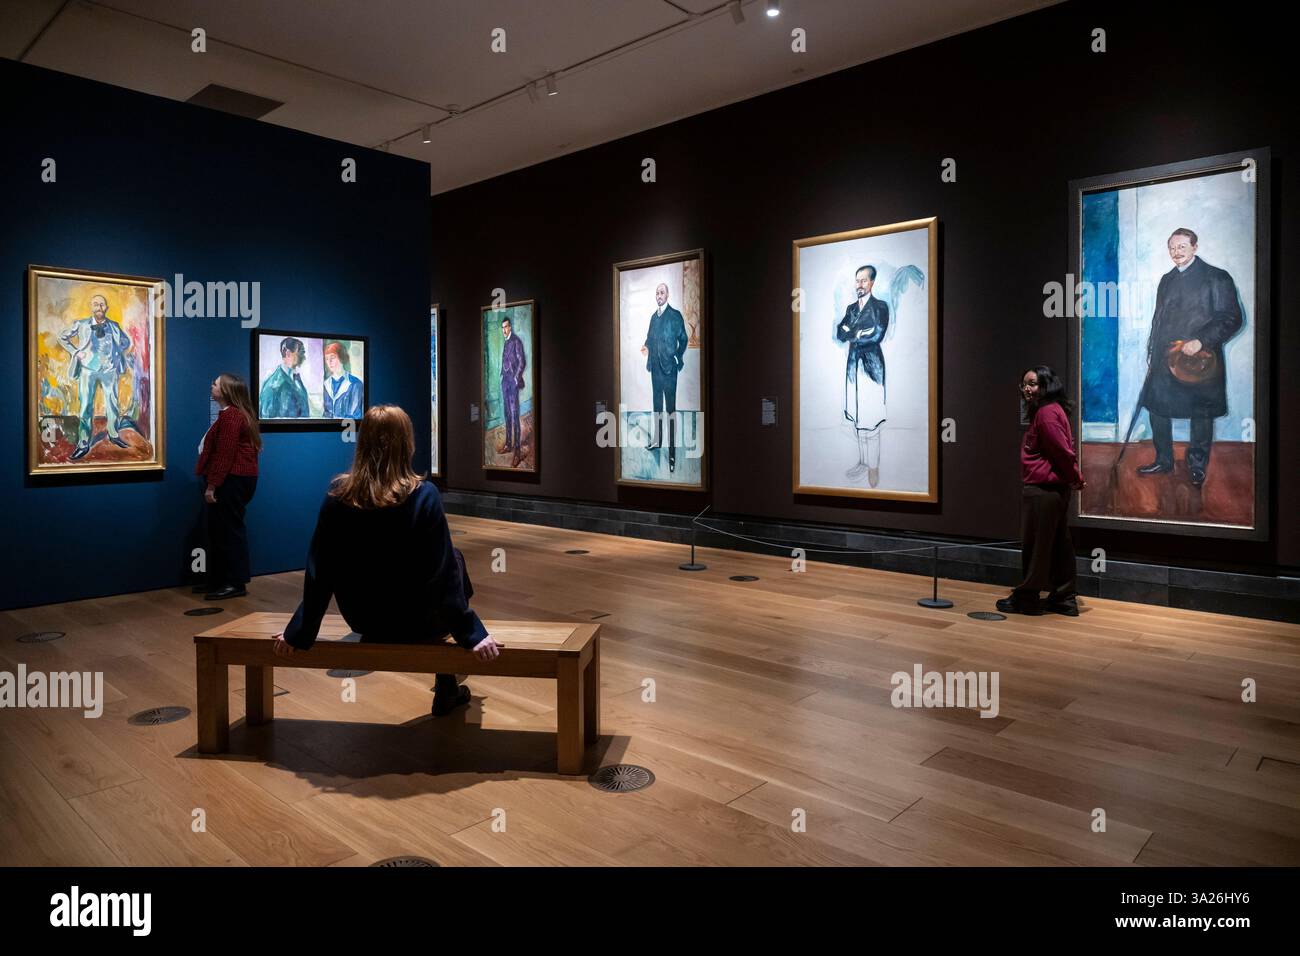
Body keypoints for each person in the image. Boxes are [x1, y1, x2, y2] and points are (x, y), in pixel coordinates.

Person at [272, 404, 502, 715]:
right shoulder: (424, 495)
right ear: (407, 444)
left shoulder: (339, 496)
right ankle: (446, 681)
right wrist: (471, 633)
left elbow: (319, 571)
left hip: (365, 618)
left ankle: (447, 684)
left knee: (452, 559)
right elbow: (443, 572)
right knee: (455, 559)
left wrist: (299, 631)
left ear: (362, 442)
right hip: (419, 621)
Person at [1134, 228, 1243, 488]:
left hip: (1200, 360)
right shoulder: (1167, 279)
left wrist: (1202, 341)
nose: (1176, 252)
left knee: (1200, 413)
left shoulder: (1217, 277)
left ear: (1195, 247)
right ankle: (1163, 460)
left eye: (1182, 247)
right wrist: (1152, 350)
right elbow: (1158, 320)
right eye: (1172, 247)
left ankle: (1197, 466)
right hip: (1165, 357)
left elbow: (1231, 318)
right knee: (1157, 408)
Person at [998, 366, 1086, 616]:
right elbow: (1063, 452)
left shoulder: (1046, 414)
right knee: (1059, 545)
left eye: (1033, 383)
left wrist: (1076, 478)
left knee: (1036, 545)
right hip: (1052, 490)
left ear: (1047, 385)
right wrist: (1074, 478)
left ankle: (1027, 598)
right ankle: (1063, 598)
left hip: (1042, 490)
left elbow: (1061, 452)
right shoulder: (1051, 411)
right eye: (1024, 384)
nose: (1027, 388)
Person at [195, 374, 262, 599]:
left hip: (232, 480)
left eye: (215, 383)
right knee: (219, 530)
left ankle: (235, 583)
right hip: (234, 478)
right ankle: (219, 580)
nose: (211, 386)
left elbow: (225, 454)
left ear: (225, 391)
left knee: (229, 531)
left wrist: (212, 485)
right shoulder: (231, 414)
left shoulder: (232, 416)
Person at [58, 293, 134, 460]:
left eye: (102, 305)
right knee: (86, 405)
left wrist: (115, 354)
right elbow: (62, 337)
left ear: (106, 308)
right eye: (96, 304)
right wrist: (76, 352)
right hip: (87, 370)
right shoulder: (81, 324)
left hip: (109, 370)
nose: (99, 307)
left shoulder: (114, 325)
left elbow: (126, 342)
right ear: (91, 307)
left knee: (112, 404)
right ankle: (84, 443)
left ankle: (114, 435)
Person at [836, 265, 889, 487]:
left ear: (872, 283)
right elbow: (840, 332)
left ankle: (873, 467)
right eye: (857, 280)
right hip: (852, 369)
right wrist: (856, 332)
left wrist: (853, 332)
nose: (859, 284)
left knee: (872, 418)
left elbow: (876, 334)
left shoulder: (880, 307)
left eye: (864, 280)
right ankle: (862, 461)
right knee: (858, 417)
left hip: (871, 368)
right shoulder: (850, 308)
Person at [640, 282, 688, 472]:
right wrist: (645, 347)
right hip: (656, 371)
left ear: (667, 295)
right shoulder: (653, 317)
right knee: (657, 409)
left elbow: (683, 339)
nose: (659, 295)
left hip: (670, 371)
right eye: (657, 292)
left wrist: (677, 356)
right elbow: (649, 338)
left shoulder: (675, 316)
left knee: (671, 412)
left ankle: (672, 453)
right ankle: (657, 442)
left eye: (662, 292)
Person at [498, 316, 527, 467]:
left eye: (506, 327)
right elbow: (506, 361)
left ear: (510, 327)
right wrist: (502, 375)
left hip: (513, 383)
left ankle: (517, 451)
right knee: (507, 414)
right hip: (505, 382)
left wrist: (516, 378)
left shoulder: (516, 341)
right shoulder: (506, 342)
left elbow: (522, 361)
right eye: (502, 327)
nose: (504, 330)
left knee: (515, 415)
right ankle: (508, 444)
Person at [259, 337, 310, 418]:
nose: (304, 357)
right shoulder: (273, 385)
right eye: (301, 352)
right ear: (288, 354)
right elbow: (266, 418)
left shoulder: (296, 380)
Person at [322, 342, 364, 419]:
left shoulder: (355, 383)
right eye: (327, 359)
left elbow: (355, 416)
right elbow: (326, 413)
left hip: (348, 428)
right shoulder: (326, 384)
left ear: (341, 357)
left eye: (333, 357)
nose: (329, 362)